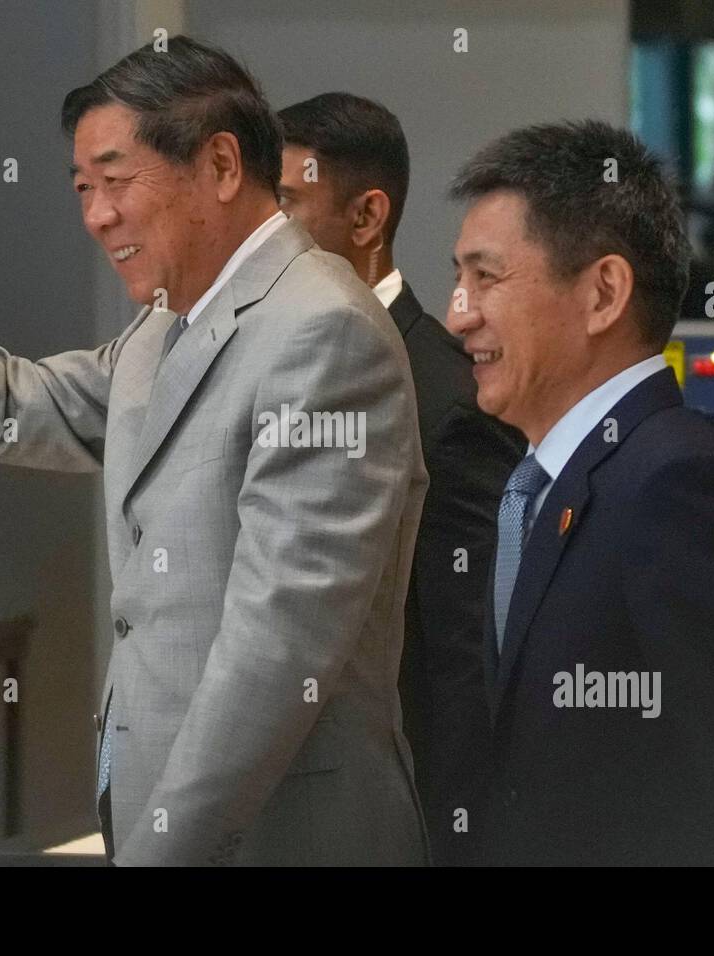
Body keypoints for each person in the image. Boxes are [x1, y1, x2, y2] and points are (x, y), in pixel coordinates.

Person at [0, 36, 428, 866]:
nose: (96, 215)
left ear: (221, 165)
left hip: (281, 833)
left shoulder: (322, 329)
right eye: (82, 188)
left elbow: (276, 648)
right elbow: (12, 406)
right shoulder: (165, 322)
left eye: (115, 182)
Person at [445, 120, 714, 865]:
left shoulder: (678, 487)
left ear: (603, 293)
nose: (459, 313)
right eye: (459, 279)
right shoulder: (537, 478)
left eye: (485, 278)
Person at [277, 93, 524, 864]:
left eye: (286, 203)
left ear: (366, 218)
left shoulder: (448, 397)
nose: (263, 233)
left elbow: (460, 665)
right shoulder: (281, 361)